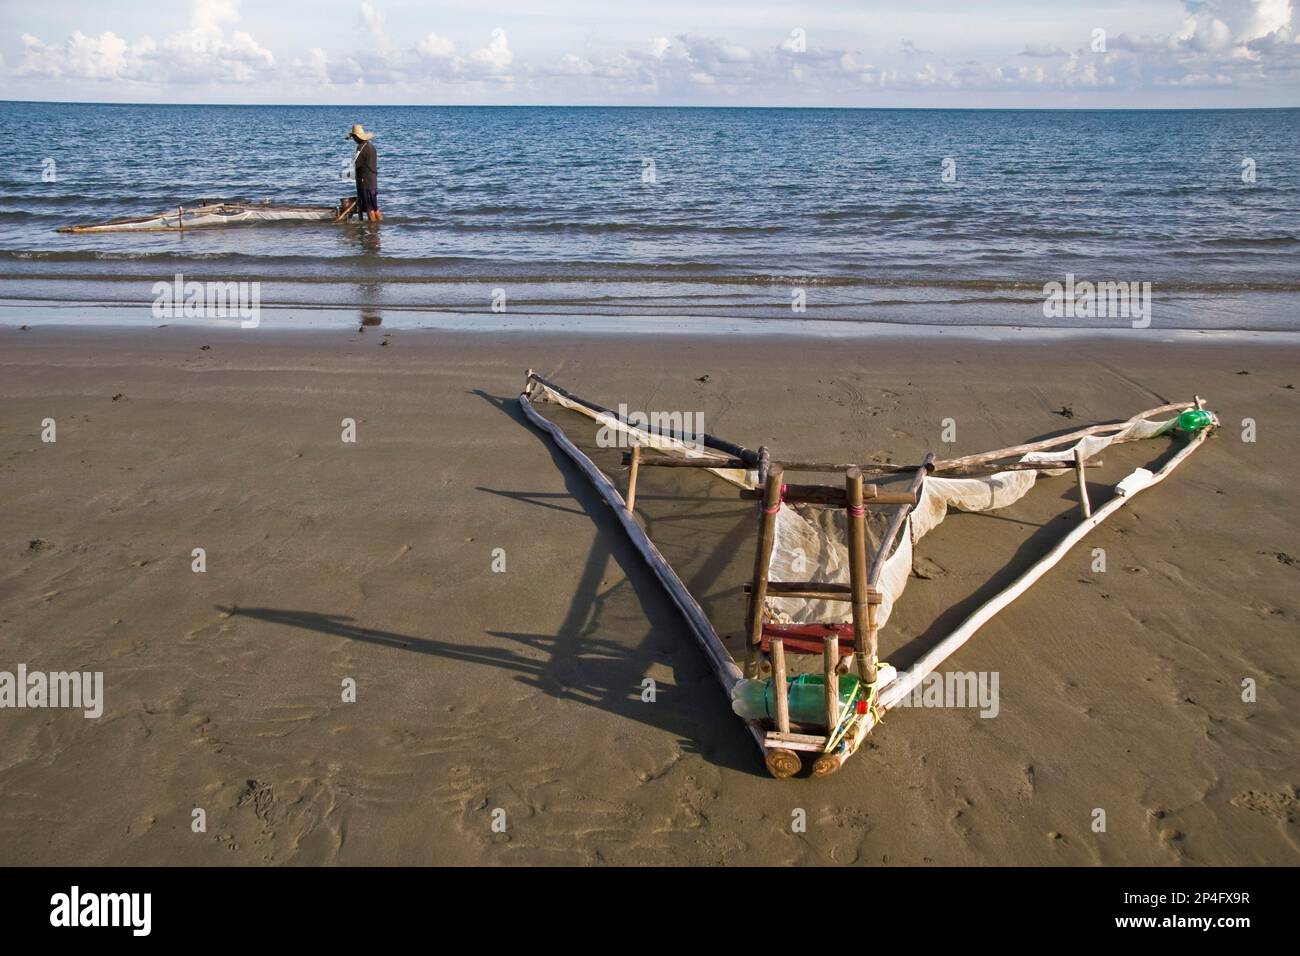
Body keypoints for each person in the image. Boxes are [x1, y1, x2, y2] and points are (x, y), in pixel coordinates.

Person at [347, 124, 381, 222]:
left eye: (353, 137)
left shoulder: (361, 148)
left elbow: (355, 164)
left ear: (357, 137)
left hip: (365, 182)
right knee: (375, 207)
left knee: (369, 209)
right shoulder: (371, 146)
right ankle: (378, 227)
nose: (353, 139)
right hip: (373, 180)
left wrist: (347, 173)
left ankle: (372, 230)